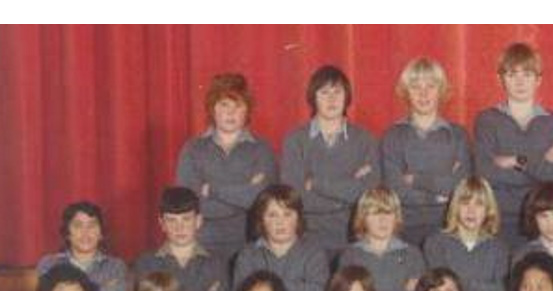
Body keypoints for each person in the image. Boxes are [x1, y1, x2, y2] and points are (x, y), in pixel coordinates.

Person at [473, 42, 553, 245]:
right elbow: (485, 173)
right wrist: (545, 164)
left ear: (539, 80)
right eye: (512, 74)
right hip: (497, 219)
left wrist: (519, 161)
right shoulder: (487, 120)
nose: (520, 82)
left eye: (527, 74)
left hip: (543, 223)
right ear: (500, 79)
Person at [175, 72, 277, 262]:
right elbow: (187, 206)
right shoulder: (192, 150)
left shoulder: (262, 149)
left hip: (251, 247)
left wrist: (212, 190)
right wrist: (244, 192)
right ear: (212, 109)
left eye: (237, 106)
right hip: (201, 247)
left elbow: (262, 202)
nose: (230, 113)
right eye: (224, 105)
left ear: (247, 110)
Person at [281, 65, 380, 256]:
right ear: (313, 98)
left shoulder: (365, 139)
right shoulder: (295, 140)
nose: (331, 99)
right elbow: (296, 199)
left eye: (337, 92)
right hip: (307, 241)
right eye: (324, 92)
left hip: (355, 240)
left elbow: (369, 197)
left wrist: (316, 184)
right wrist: (348, 191)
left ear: (347, 97)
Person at [381, 57, 472, 247]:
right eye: (415, 87)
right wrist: (437, 195)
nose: (423, 94)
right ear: (406, 92)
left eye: (430, 86)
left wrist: (416, 179)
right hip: (405, 231)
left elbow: (461, 187)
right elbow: (396, 190)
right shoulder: (392, 136)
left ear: (441, 91)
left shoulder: (458, 135)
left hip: (450, 228)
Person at [232, 185, 329, 291]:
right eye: (272, 215)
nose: (280, 222)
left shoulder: (314, 252)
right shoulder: (247, 255)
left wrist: (265, 290)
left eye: (287, 214)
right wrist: (297, 288)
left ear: (298, 218)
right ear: (261, 220)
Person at [133, 187, 229, 291]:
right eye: (172, 220)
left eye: (186, 219)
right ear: (161, 223)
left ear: (198, 221)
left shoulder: (217, 261)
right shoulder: (146, 262)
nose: (180, 227)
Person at [423, 176, 510, 291]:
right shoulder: (435, 243)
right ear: (455, 207)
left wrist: (463, 285)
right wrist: (483, 290)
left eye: (479, 204)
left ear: (488, 210)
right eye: (465, 203)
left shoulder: (499, 247)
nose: (471, 211)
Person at [337, 187, 427, 291]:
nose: (382, 220)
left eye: (388, 213)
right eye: (375, 214)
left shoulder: (412, 254)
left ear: (396, 217)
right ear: (362, 218)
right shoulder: (350, 256)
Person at [36, 201, 128, 291]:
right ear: (67, 233)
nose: (86, 232)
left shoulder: (115, 266)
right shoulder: (49, 264)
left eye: (92, 225)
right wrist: (99, 289)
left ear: (101, 233)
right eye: (78, 226)